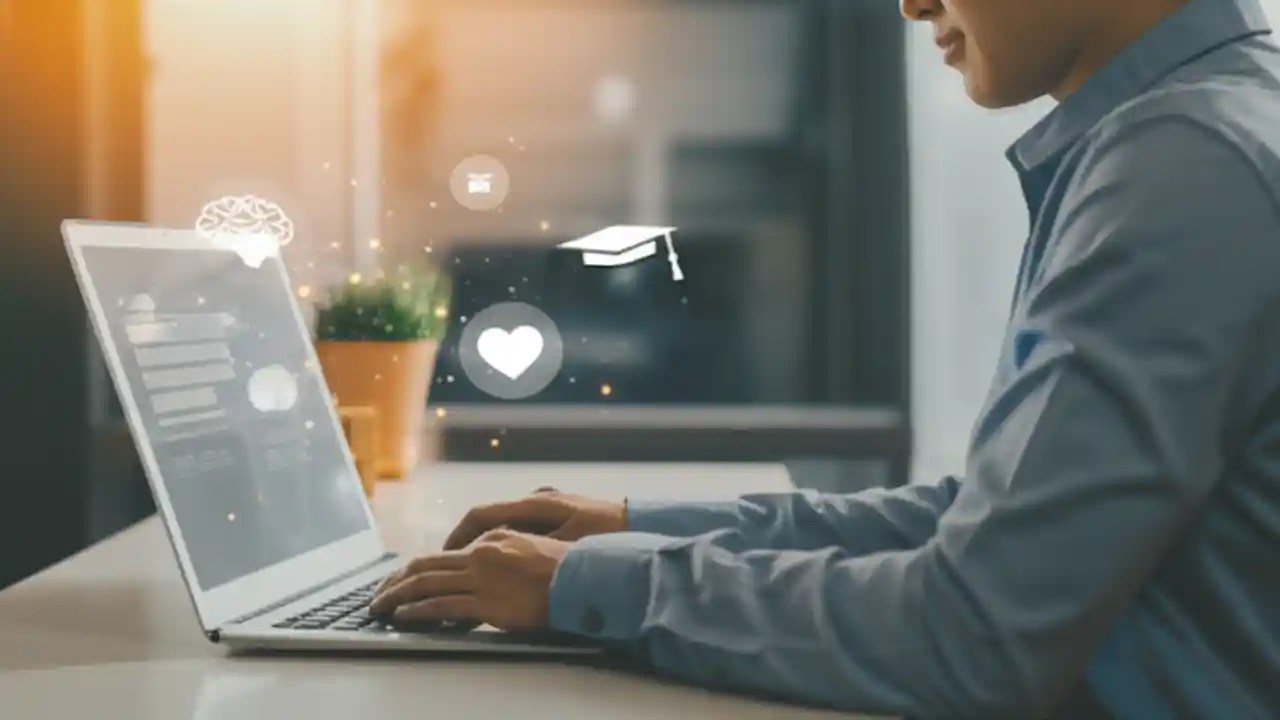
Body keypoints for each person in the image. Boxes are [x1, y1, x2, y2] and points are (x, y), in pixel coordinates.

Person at [371, 0, 1280, 716]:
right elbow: (990, 525)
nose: (911, 4)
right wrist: (627, 526)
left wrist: (591, 585)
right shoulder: (1206, 126)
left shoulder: (1182, 165)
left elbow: (972, 634)